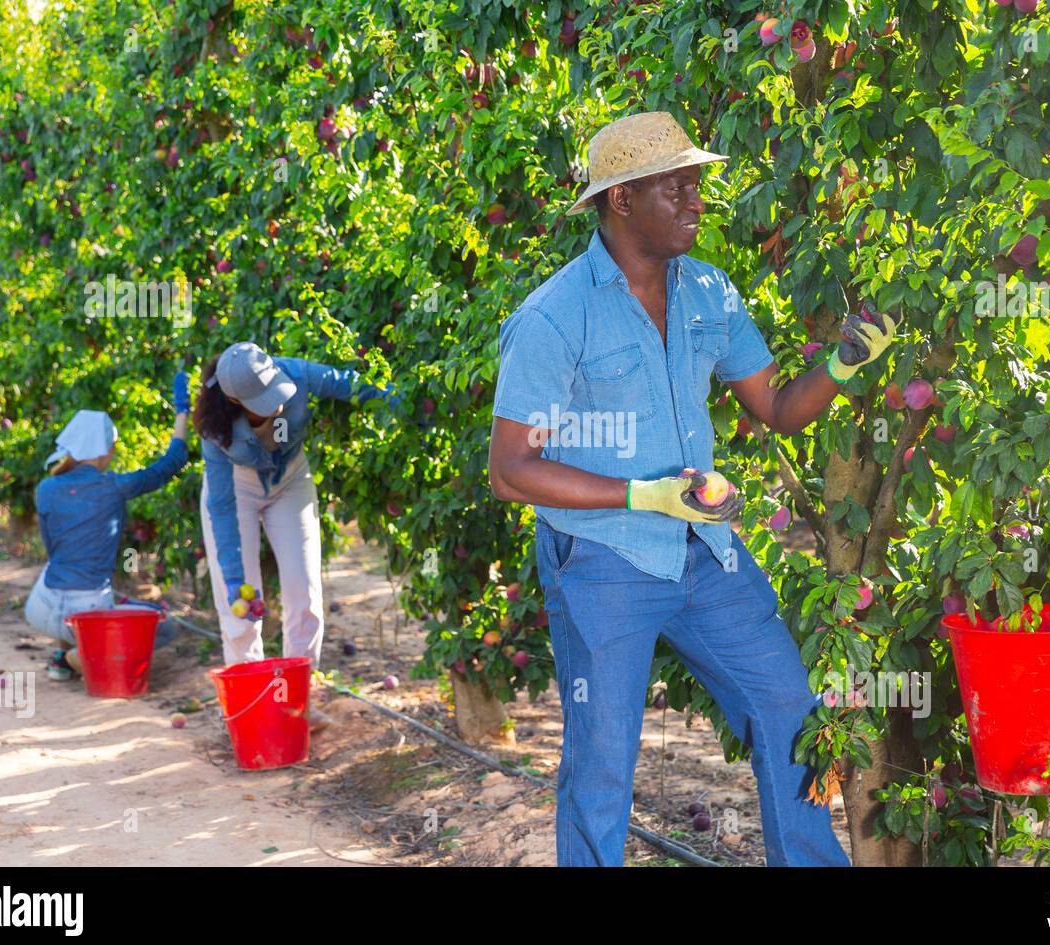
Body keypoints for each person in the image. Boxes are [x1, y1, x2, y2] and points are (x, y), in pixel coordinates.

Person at [487, 111, 895, 866]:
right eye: (675, 188)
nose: (697, 201)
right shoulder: (554, 316)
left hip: (704, 550)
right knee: (603, 759)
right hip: (604, 559)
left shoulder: (710, 291)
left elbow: (775, 408)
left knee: (790, 713)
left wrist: (841, 364)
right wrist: (645, 496)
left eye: (697, 184)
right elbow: (511, 469)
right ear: (620, 200)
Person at [193, 342, 395, 731]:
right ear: (235, 400)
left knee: (305, 594)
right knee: (237, 606)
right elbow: (221, 508)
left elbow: (349, 384)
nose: (278, 405)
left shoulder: (296, 374)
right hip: (238, 489)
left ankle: (295, 701)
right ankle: (249, 710)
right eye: (262, 401)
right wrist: (235, 578)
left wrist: (403, 402)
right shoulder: (216, 431)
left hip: (289, 481)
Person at [26, 374, 192, 680]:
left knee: (72, 573)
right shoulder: (115, 486)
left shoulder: (46, 488)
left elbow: (54, 548)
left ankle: (61, 658)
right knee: (164, 626)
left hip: (41, 605)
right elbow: (172, 462)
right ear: (104, 450)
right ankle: (86, 656)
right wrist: (182, 412)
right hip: (87, 612)